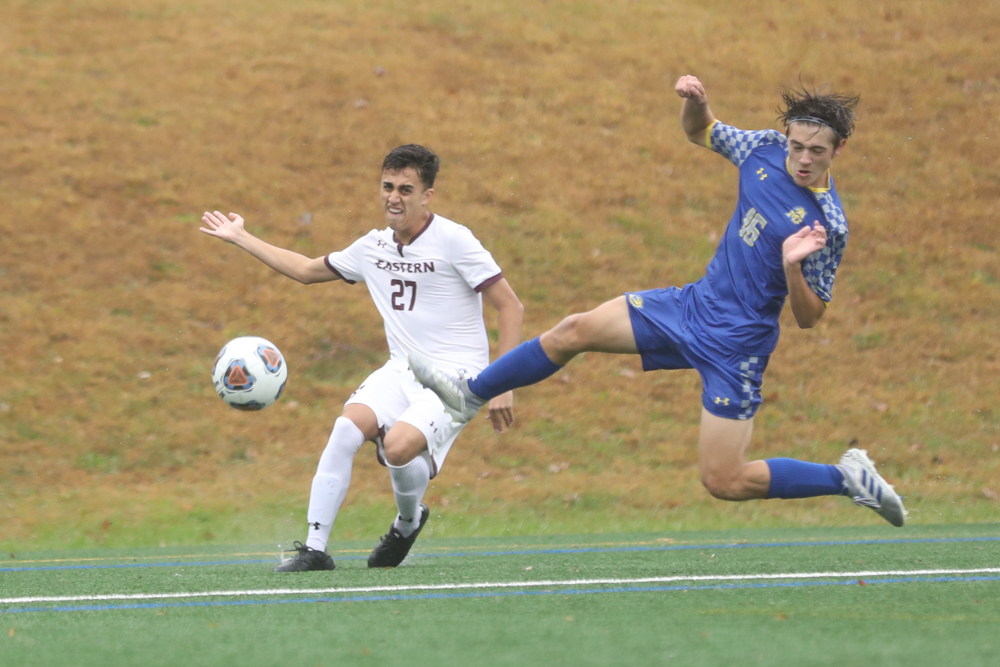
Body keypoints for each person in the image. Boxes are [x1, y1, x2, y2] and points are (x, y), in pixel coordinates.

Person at [410, 76, 906, 527]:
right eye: (797, 145)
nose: (801, 159)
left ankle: (846, 477)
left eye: (815, 151)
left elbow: (809, 317)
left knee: (724, 480)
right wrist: (697, 103)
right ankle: (472, 392)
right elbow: (701, 131)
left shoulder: (829, 225)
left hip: (737, 347)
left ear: (838, 149)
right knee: (573, 330)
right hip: (690, 307)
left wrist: (792, 266)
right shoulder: (763, 148)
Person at [200, 144, 524, 571]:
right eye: (388, 186)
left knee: (397, 447)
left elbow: (510, 306)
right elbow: (304, 270)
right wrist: (241, 237)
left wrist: (504, 383)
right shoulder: (373, 247)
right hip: (402, 370)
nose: (394, 197)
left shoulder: (455, 240)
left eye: (406, 189)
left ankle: (407, 524)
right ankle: (315, 550)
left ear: (428, 195)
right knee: (345, 430)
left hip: (458, 380)